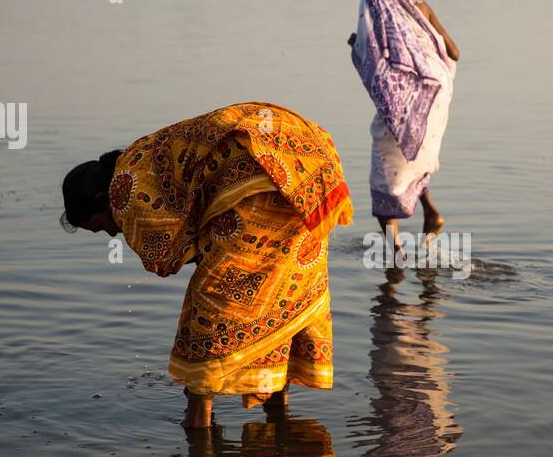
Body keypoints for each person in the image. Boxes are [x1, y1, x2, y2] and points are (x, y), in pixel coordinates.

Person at [60, 102, 353, 428]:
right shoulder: (138, 156)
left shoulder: (123, 188)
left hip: (266, 174)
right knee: (287, 288)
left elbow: (165, 259)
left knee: (210, 305)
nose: (113, 234)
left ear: (103, 200)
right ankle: (278, 406)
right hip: (307, 168)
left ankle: (198, 417)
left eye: (101, 226)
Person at [349, 0, 459, 250]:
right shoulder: (419, 4)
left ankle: (394, 251)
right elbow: (454, 51)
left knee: (384, 167)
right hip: (435, 93)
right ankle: (431, 213)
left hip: (409, 94)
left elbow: (370, 49)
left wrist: (356, 47)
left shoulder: (373, 0)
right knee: (414, 154)